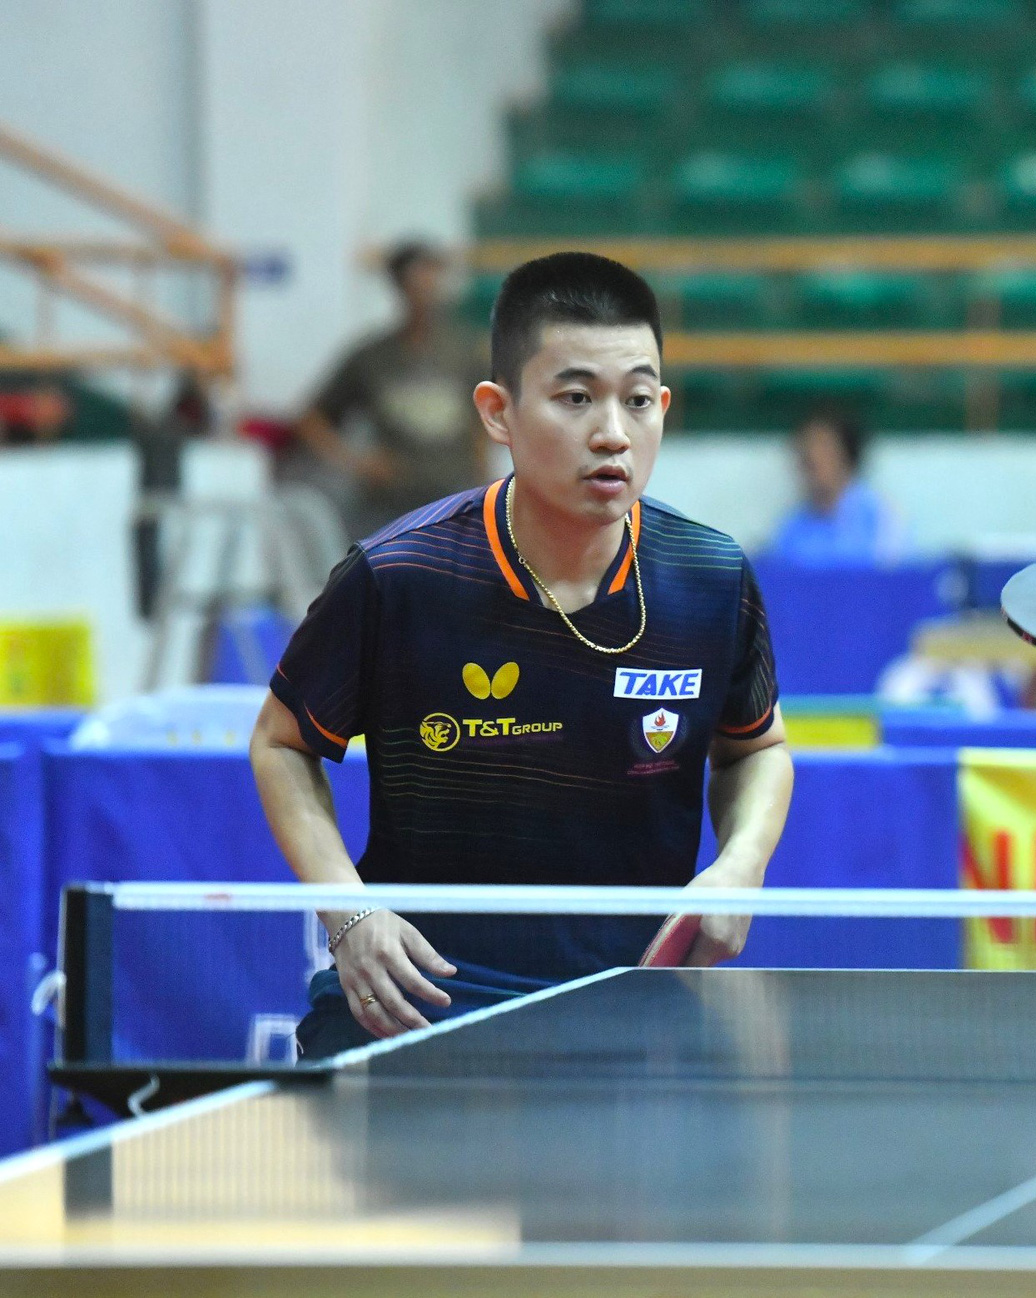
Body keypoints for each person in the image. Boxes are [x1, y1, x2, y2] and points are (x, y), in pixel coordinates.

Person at [250, 251, 794, 1057]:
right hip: (425, 1000)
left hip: (633, 1002)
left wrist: (740, 864)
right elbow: (281, 742)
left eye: (636, 400)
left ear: (662, 408)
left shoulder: (710, 577)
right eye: (575, 398)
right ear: (498, 413)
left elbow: (758, 749)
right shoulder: (400, 575)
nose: (612, 433)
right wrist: (349, 911)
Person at [293, 241, 491, 538]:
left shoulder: (467, 351)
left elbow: (485, 422)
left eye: (432, 283)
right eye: (417, 284)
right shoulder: (372, 356)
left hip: (455, 496)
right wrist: (356, 463)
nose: (427, 294)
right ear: (399, 288)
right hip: (391, 503)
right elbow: (310, 420)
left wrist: (484, 480)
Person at [765, 412, 908, 565]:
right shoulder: (793, 524)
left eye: (824, 449)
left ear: (847, 454)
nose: (814, 457)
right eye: (806, 452)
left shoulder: (882, 516)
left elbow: (894, 573)